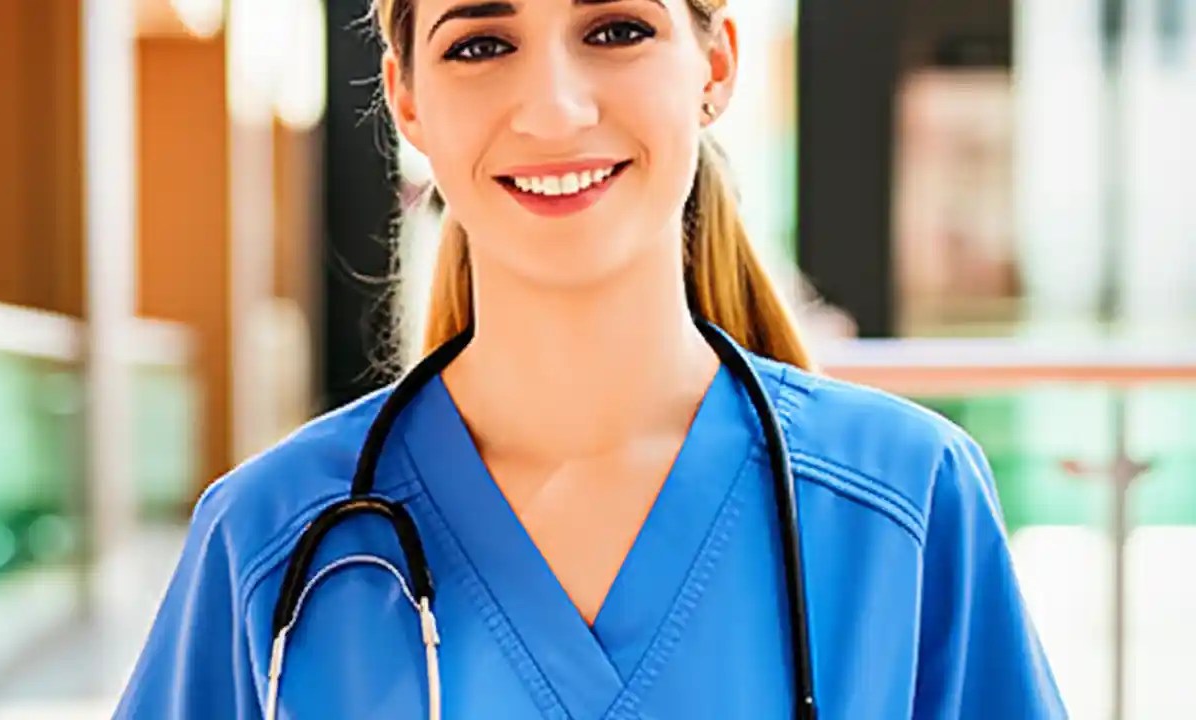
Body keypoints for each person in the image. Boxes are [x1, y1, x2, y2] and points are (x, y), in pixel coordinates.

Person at [114, 0, 1067, 718]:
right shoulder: (270, 539)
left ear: (715, 66)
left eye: (616, 30)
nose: (555, 111)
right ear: (406, 97)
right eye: (480, 44)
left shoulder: (906, 504)